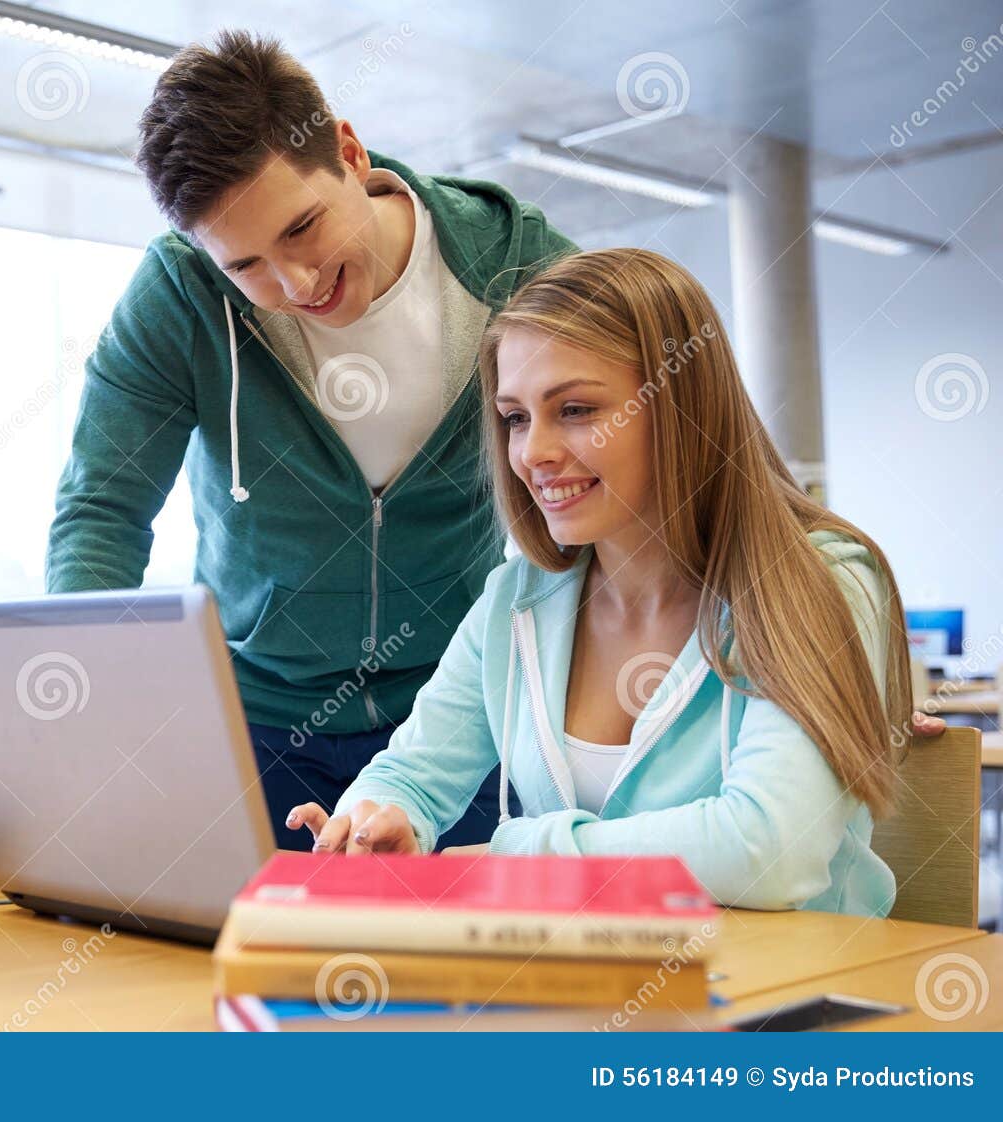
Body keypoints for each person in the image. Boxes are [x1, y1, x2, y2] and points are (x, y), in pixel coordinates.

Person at [46, 30, 577, 848]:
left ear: (350, 152)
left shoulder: (517, 268)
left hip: (453, 727)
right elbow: (102, 513)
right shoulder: (179, 297)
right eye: (247, 264)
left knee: (458, 967)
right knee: (242, 965)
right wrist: (83, 717)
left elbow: (645, 451)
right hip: (256, 731)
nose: (296, 284)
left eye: (302, 228)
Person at [290, 248, 922, 916]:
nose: (532, 452)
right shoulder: (517, 599)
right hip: (586, 994)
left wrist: (522, 852)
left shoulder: (820, 580)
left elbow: (768, 852)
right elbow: (409, 774)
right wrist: (374, 819)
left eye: (577, 410)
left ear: (681, 409)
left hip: (788, 1004)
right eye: (515, 417)